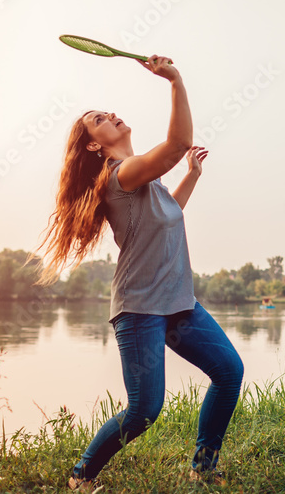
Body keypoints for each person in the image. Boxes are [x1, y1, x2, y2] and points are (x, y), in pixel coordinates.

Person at [35, 55, 243, 490]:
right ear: (94, 145)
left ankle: (204, 466)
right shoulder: (121, 174)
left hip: (178, 303)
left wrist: (193, 174)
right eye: (99, 119)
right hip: (139, 307)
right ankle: (82, 475)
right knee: (145, 409)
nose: (111, 115)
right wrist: (176, 80)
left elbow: (171, 212)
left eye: (107, 111)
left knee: (228, 372)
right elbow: (177, 140)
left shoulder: (144, 182)